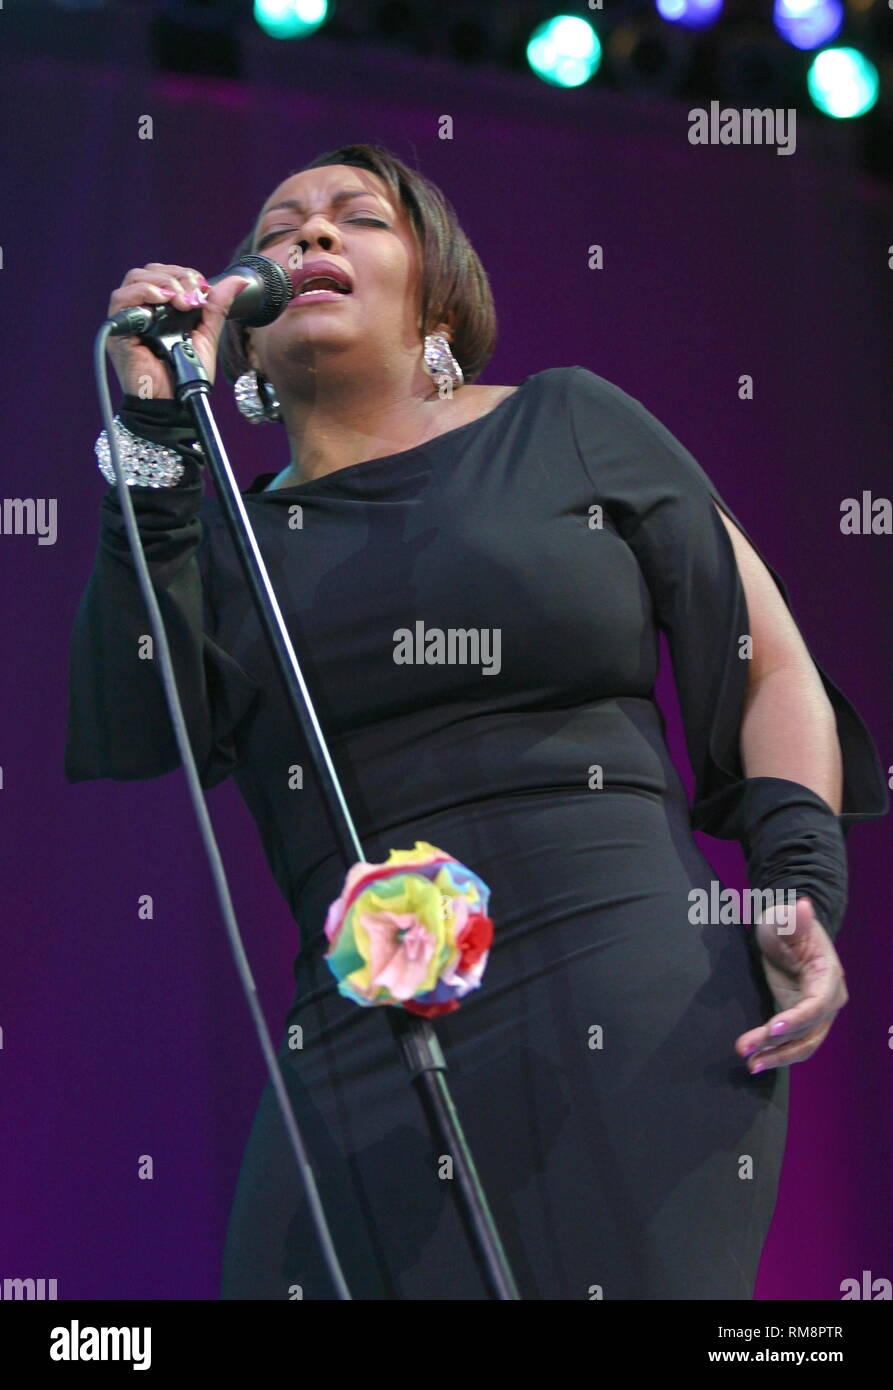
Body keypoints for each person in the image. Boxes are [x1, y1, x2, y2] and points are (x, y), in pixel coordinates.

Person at [65, 143, 888, 1300]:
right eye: (278, 229)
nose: (308, 239)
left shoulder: (566, 422)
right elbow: (138, 717)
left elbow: (767, 663)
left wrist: (795, 881)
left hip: (629, 999)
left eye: (356, 218)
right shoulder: (226, 541)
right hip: (363, 1022)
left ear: (436, 294)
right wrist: (152, 437)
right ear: (239, 336)